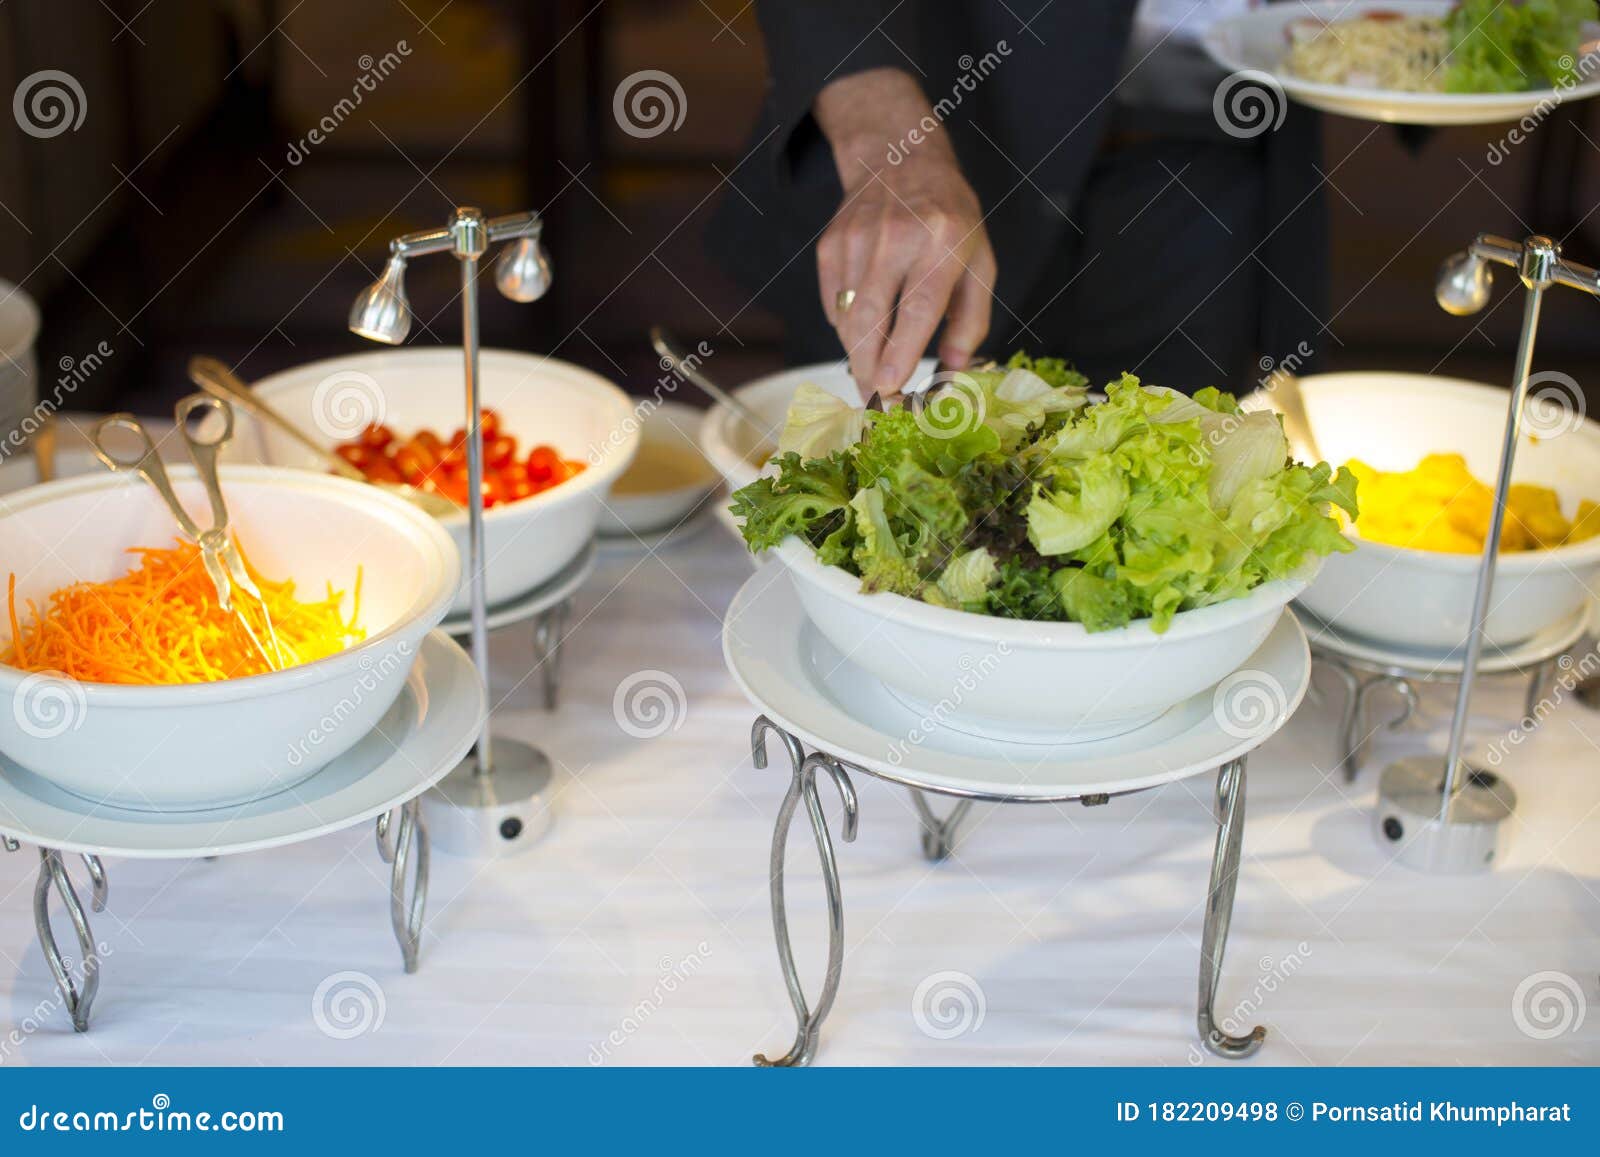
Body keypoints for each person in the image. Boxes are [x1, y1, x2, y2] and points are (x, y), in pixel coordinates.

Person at [710, 1, 1328, 398]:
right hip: (948, 134)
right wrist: (887, 135)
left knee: (1152, 537)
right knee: (870, 527)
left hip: (1214, 169)